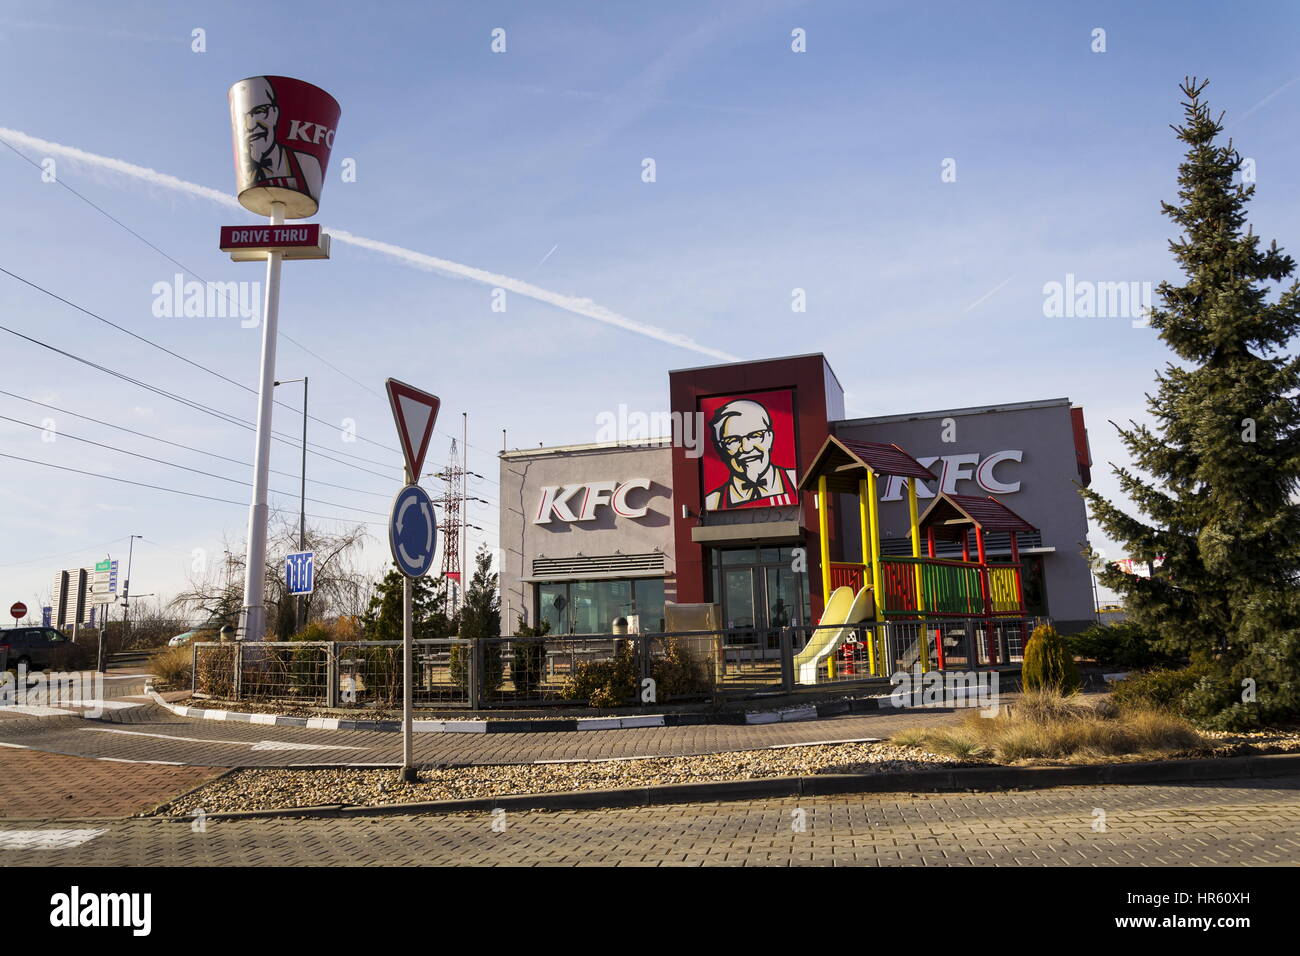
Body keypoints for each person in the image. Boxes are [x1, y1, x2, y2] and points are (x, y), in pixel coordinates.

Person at [704, 398, 798, 510]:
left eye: (755, 435)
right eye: (733, 440)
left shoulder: (796, 482)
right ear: (721, 448)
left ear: (770, 438)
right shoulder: (712, 502)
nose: (746, 448)